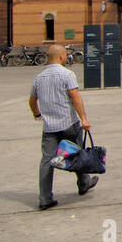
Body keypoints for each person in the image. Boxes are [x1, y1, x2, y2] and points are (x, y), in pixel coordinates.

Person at [29, 44, 95, 211]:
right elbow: (75, 96)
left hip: (49, 127)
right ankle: (83, 183)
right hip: (69, 123)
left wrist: (37, 114)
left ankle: (45, 199)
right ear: (60, 57)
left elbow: (32, 100)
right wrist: (84, 119)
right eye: (65, 56)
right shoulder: (67, 74)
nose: (66, 58)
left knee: (47, 161)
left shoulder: (39, 77)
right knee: (78, 153)